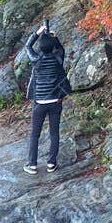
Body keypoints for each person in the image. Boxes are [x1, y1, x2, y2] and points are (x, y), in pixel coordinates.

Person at [23, 18, 72, 174]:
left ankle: (32, 164)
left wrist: (37, 33)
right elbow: (61, 49)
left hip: (39, 102)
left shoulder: (36, 61)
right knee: (54, 133)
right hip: (56, 101)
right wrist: (54, 37)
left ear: (41, 48)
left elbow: (28, 46)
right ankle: (51, 163)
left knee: (35, 134)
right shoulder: (58, 59)